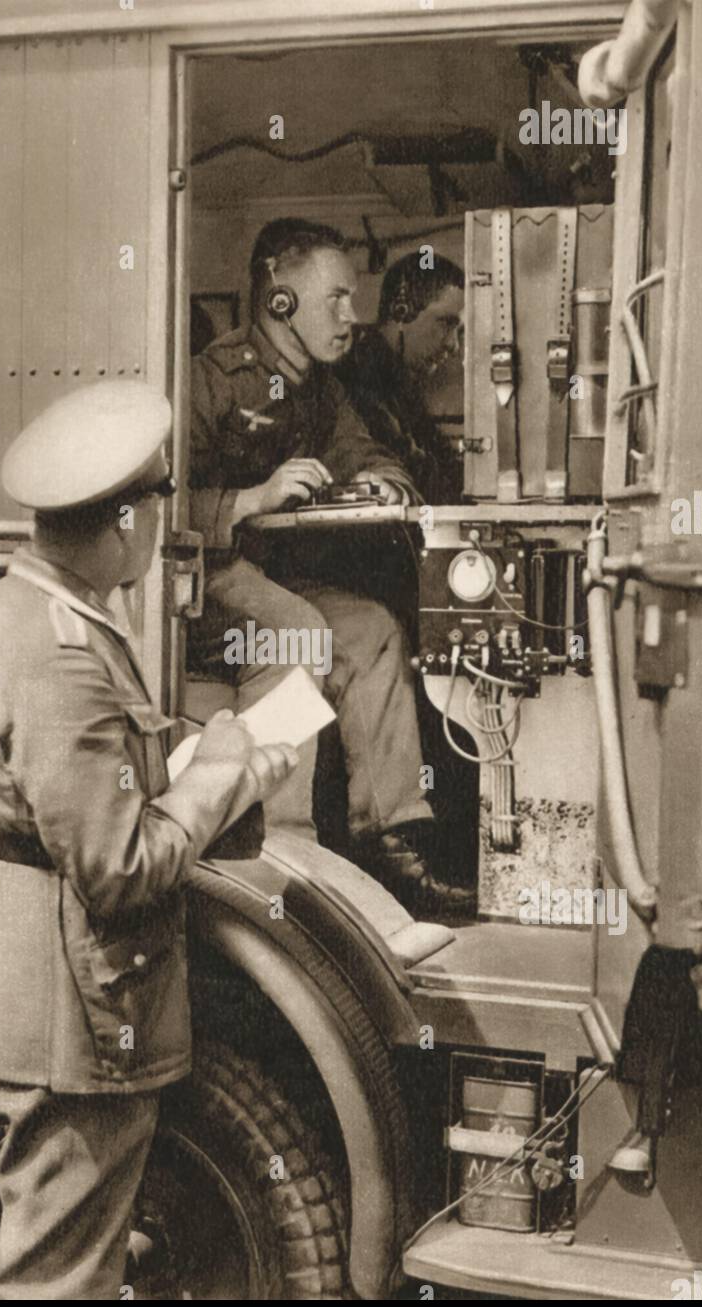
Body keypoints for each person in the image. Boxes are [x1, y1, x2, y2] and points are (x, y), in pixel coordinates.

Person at [0, 381, 298, 1300]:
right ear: (128, 521)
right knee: (56, 1282)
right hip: (75, 1015)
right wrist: (219, 773)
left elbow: (101, 788)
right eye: (156, 504)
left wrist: (196, 762)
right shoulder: (60, 648)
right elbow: (117, 867)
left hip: (72, 994)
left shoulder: (53, 612)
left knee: (72, 1270)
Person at [188, 217, 471, 915]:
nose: (351, 316)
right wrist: (248, 498)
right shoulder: (211, 380)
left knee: (371, 630)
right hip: (202, 585)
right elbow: (152, 510)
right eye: (336, 299)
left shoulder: (320, 389)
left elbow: (363, 450)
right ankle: (277, 853)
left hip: (266, 582)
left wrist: (382, 480)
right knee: (301, 634)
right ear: (280, 301)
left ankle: (389, 841)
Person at [335, 250, 465, 506]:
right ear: (401, 311)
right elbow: (415, 467)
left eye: (458, 331)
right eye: (445, 324)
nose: (453, 346)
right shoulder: (360, 376)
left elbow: (438, 457)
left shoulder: (400, 379)